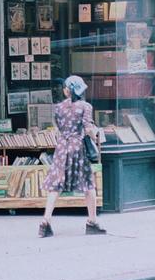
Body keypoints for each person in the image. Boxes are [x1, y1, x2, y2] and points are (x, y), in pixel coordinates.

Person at [38, 75, 106, 237]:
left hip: (62, 147)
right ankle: (92, 222)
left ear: (67, 91)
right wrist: (97, 135)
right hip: (77, 147)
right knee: (88, 185)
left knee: (56, 185)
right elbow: (88, 128)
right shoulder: (85, 106)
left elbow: (59, 126)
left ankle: (45, 221)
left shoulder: (59, 107)